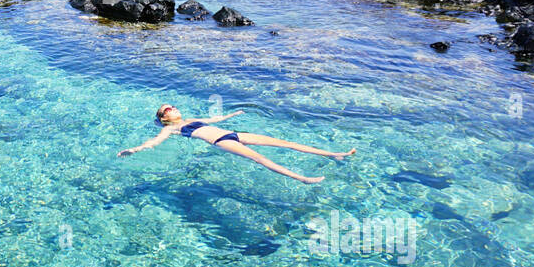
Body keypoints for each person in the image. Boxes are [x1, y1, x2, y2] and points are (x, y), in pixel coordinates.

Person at [118, 104, 356, 183]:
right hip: (220, 140)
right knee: (260, 158)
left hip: (232, 132)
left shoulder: (191, 119)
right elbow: (154, 142)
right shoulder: (171, 129)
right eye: (167, 109)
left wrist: (234, 115)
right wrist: (135, 150)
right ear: (164, 118)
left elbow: (216, 119)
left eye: (172, 105)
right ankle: (302, 178)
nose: (173, 108)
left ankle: (334, 154)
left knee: (286, 142)